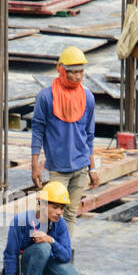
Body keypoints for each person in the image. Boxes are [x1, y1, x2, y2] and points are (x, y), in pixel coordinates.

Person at [30, 45, 98, 232]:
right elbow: (37, 130)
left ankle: (65, 256)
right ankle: (44, 252)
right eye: (73, 72)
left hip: (81, 168)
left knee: (70, 214)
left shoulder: (87, 98)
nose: (77, 76)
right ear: (62, 70)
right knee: (49, 215)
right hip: (58, 170)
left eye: (81, 72)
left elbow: (89, 135)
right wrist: (35, 164)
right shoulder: (46, 97)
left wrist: (92, 167)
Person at [0, 181, 82, 275]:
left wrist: (51, 240)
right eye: (55, 207)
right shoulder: (21, 221)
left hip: (40, 269)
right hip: (20, 274)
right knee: (43, 248)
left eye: (62, 208)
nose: (59, 212)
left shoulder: (60, 224)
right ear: (42, 205)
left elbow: (66, 256)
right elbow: (10, 255)